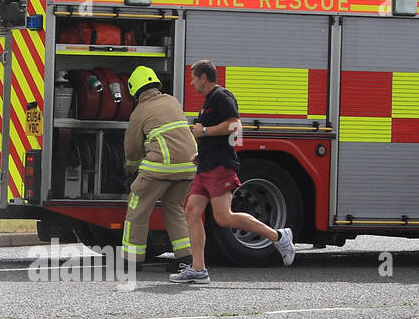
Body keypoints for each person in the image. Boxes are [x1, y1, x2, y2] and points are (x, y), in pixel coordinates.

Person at [171, 60, 295, 285]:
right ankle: (198, 269)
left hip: (220, 166)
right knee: (191, 210)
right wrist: (202, 153)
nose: (191, 83)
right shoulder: (209, 101)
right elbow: (219, 135)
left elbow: (235, 125)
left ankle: (278, 236)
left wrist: (205, 131)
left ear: (204, 78)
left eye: (193, 78)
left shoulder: (221, 96)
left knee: (223, 217)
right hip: (207, 165)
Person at [121, 65, 196, 273]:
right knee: (174, 209)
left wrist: (130, 169)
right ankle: (185, 258)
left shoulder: (139, 111)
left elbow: (133, 149)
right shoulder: (172, 101)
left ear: (134, 89)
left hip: (160, 167)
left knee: (137, 208)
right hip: (188, 166)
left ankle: (132, 261)